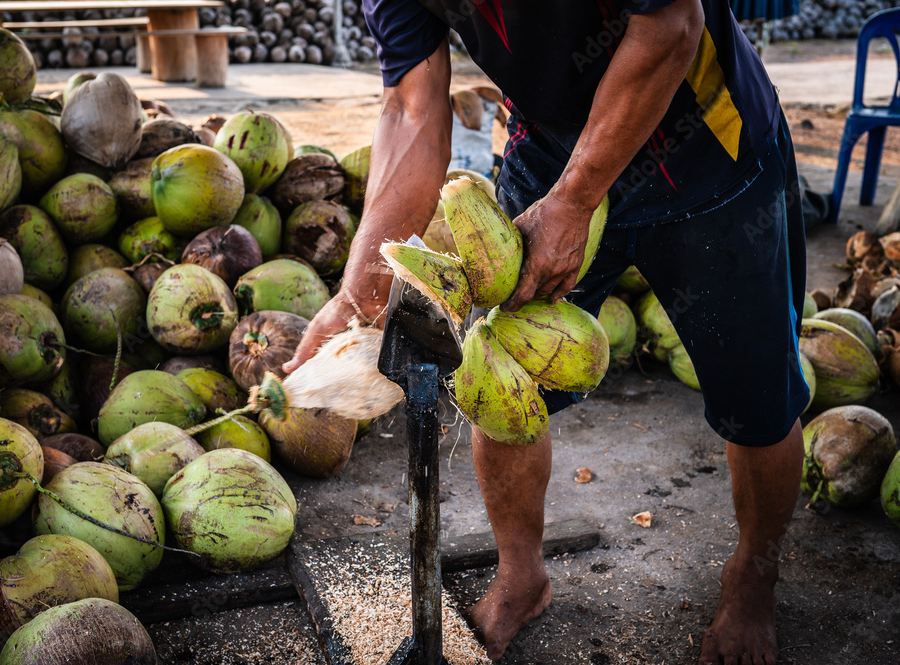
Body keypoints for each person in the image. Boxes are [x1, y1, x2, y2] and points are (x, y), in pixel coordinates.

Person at [283, 1, 809, 662]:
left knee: (757, 401)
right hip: (553, 146)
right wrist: (359, 290)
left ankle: (754, 577)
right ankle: (521, 574)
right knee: (499, 384)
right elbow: (411, 109)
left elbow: (672, 26)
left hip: (703, 147)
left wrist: (578, 199)